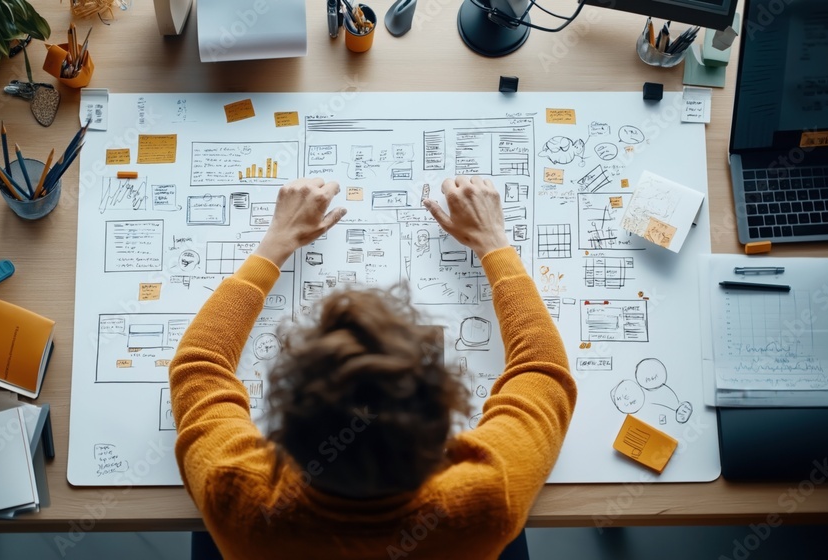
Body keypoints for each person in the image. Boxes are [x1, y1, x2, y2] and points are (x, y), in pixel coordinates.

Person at [170, 176, 576, 559]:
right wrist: (494, 244)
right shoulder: (485, 503)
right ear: (446, 437)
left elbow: (199, 365)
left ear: (281, 434)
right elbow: (542, 369)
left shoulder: (237, 498)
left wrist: (273, 245)